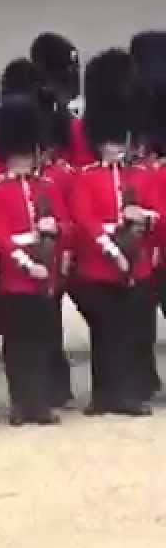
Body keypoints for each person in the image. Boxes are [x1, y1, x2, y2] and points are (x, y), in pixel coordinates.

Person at [69, 49, 159, 416]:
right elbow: (83, 217)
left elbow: (156, 213)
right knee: (105, 335)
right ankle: (105, 395)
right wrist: (111, 245)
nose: (114, 148)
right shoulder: (86, 177)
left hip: (136, 265)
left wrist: (144, 220)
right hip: (101, 265)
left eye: (119, 142)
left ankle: (128, 394)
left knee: (129, 332)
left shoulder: (138, 175)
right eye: (109, 142)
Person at [0, 101, 67, 425]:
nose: (22, 160)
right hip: (16, 279)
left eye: (26, 154)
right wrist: (25, 264)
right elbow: (0, 237)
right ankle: (21, 403)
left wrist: (55, 228)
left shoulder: (47, 187)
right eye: (18, 155)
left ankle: (40, 403)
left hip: (44, 276)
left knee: (43, 340)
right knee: (18, 344)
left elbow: (66, 225)